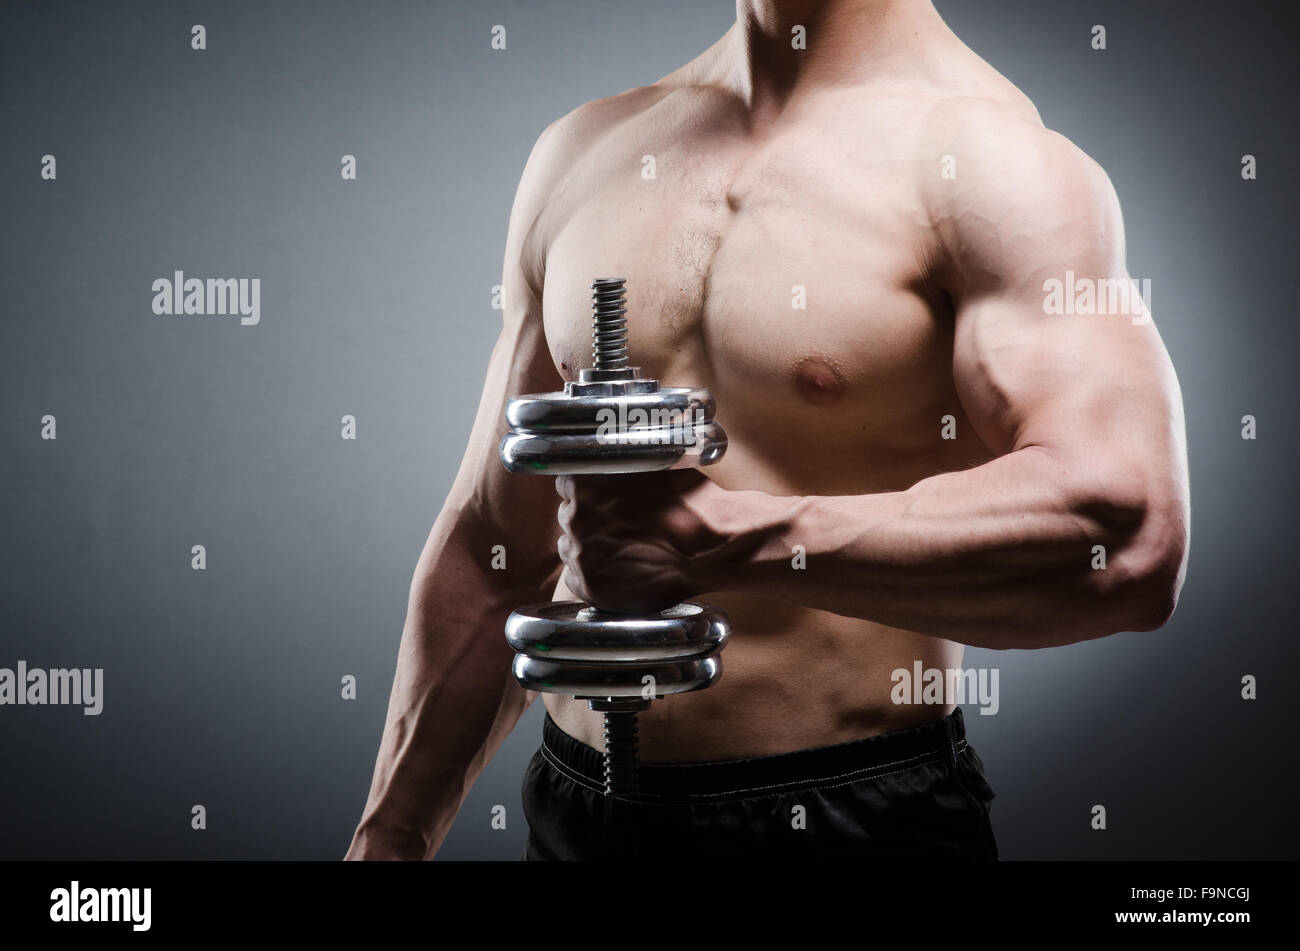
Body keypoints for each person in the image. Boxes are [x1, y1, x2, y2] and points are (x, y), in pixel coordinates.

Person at [346, 0, 1189, 860]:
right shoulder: (584, 150)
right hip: (576, 811)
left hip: (847, 818)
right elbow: (494, 549)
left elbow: (1125, 532)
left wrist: (729, 539)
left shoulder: (986, 160)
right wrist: (390, 836)